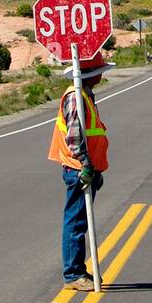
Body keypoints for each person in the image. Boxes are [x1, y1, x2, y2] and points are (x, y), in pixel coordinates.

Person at [48, 51, 116, 290]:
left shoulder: (85, 94)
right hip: (78, 168)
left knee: (79, 221)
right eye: (99, 72)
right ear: (90, 75)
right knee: (75, 221)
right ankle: (73, 274)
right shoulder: (76, 98)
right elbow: (75, 137)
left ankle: (78, 270)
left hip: (85, 167)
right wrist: (87, 165)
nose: (101, 77)